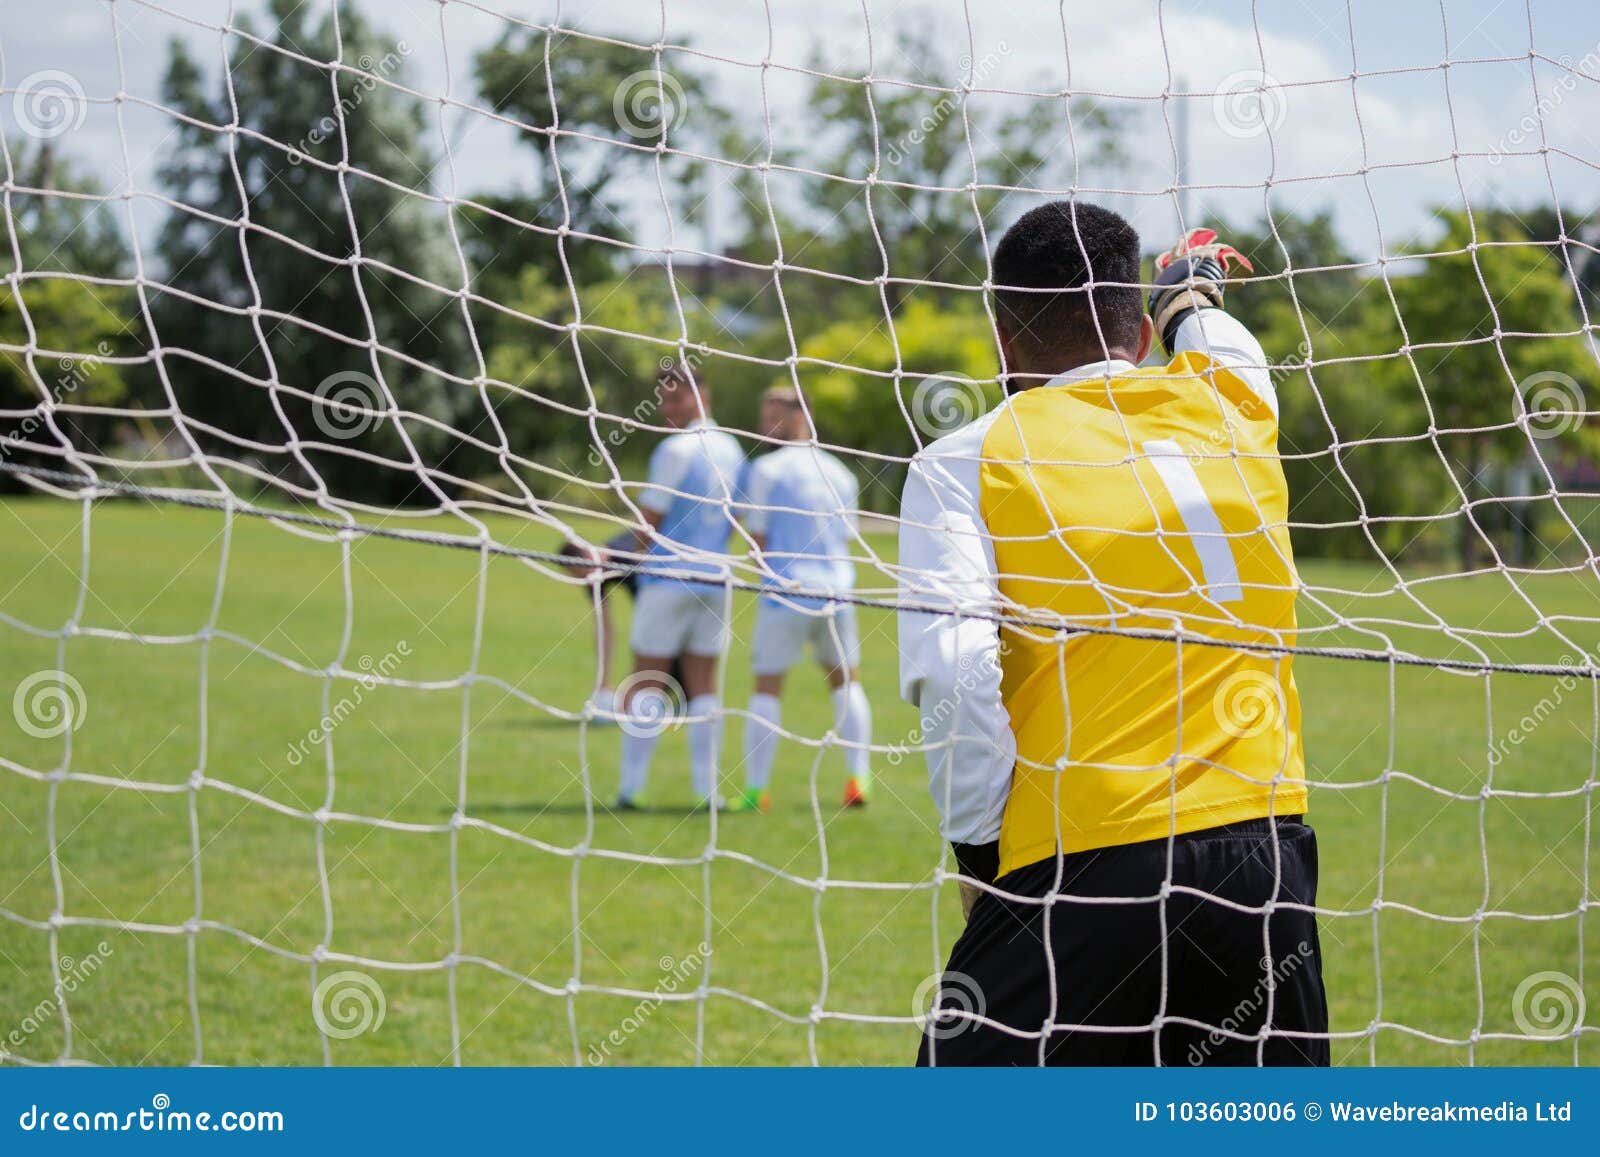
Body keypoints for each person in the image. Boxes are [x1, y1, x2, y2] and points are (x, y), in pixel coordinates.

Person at [897, 204, 1328, 1066]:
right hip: (1266, 857)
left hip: (1083, 858)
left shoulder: (964, 459)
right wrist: (1187, 296)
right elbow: (1225, 343)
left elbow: (955, 672)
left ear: (1000, 336)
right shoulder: (1233, 407)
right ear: (1135, 329)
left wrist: (982, 856)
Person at [730, 386, 873, 813]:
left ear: (798, 415)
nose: (763, 424)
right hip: (837, 592)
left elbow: (757, 538)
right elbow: (846, 538)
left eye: (771, 414)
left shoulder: (767, 470)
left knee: (767, 685)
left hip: (785, 593)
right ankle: (857, 778)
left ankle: (757, 790)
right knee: (846, 681)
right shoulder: (840, 472)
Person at [615, 363, 744, 810]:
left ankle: (630, 789)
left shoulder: (675, 450)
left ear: (700, 396)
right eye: (664, 400)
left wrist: (631, 559)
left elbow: (647, 520)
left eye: (676, 399)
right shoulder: (732, 449)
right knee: (705, 685)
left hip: (669, 577)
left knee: (646, 678)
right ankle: (706, 791)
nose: (667, 409)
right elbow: (738, 519)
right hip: (715, 578)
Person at [556, 531, 684, 723]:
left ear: (588, 555)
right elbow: (604, 629)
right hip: (658, 608)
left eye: (578, 572)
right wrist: (603, 683)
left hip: (676, 590)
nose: (583, 578)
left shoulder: (631, 555)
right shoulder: (595, 578)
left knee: (668, 663)